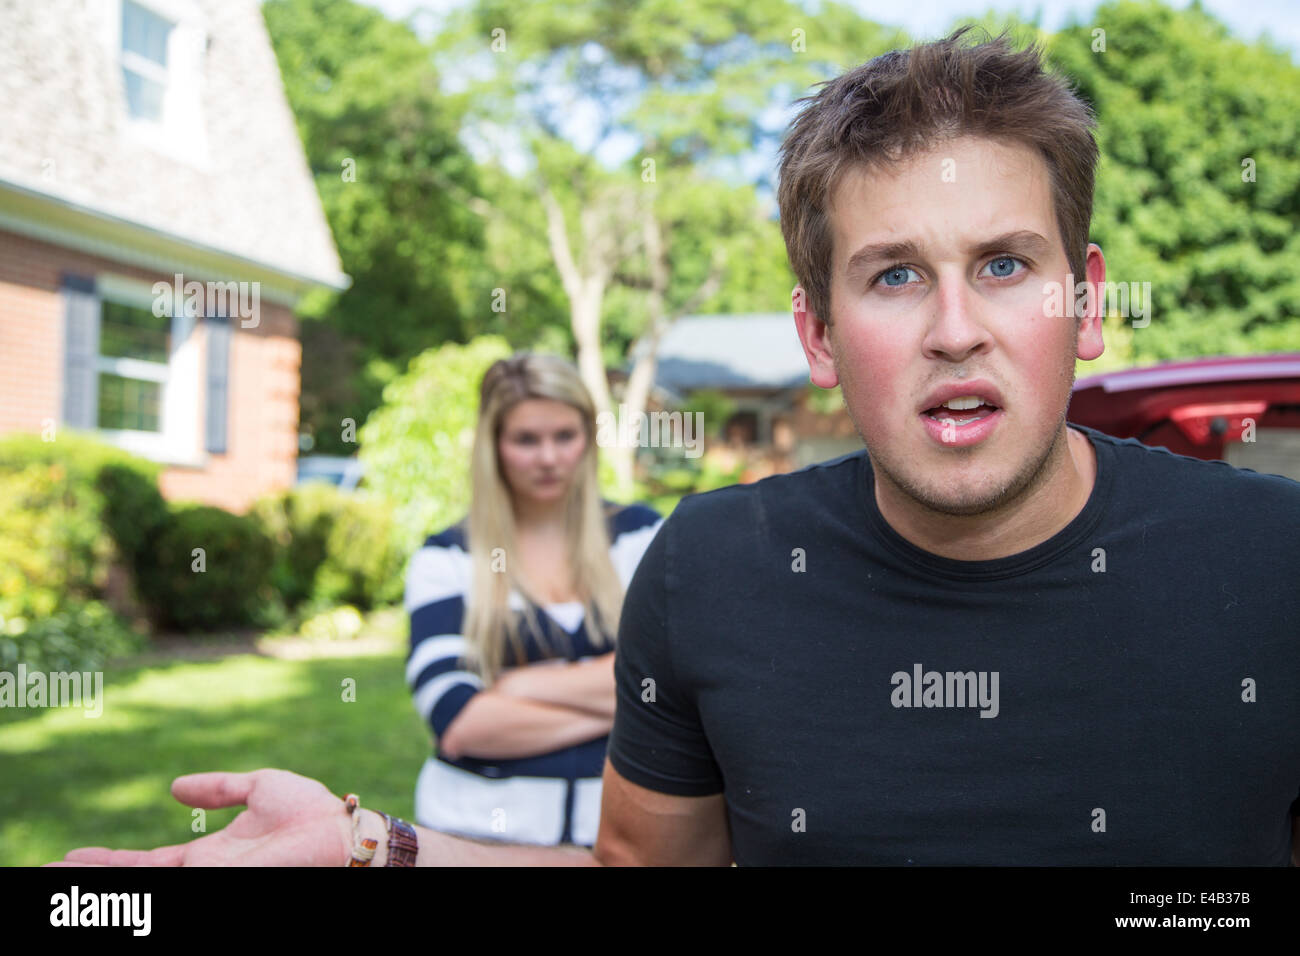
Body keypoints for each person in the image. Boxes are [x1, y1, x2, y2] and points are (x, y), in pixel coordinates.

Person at [53, 28, 1300, 868]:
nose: (954, 329)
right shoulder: (715, 565)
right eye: (893, 275)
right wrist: (379, 845)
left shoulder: (1271, 563)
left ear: (1083, 304)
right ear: (815, 329)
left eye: (1005, 264)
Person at [404, 352, 662, 846]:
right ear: (494, 445)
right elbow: (458, 722)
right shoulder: (448, 558)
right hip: (474, 839)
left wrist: (517, 688)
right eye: (526, 439)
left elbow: (682, 683)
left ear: (587, 439)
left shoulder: (641, 536)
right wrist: (623, 702)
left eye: (564, 436)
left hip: (621, 837)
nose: (548, 457)